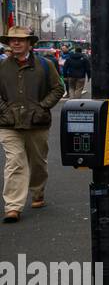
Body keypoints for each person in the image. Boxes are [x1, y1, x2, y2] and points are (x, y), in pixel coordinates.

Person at [0, 26, 64, 222]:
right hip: (9, 123)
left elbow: (58, 88)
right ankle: (13, 206)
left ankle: (37, 191)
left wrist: (42, 107)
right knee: (15, 161)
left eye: (21, 40)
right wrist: (3, 109)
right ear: (9, 44)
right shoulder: (2, 67)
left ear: (29, 43)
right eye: (13, 40)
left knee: (38, 162)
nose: (16, 43)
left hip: (37, 123)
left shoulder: (45, 65)